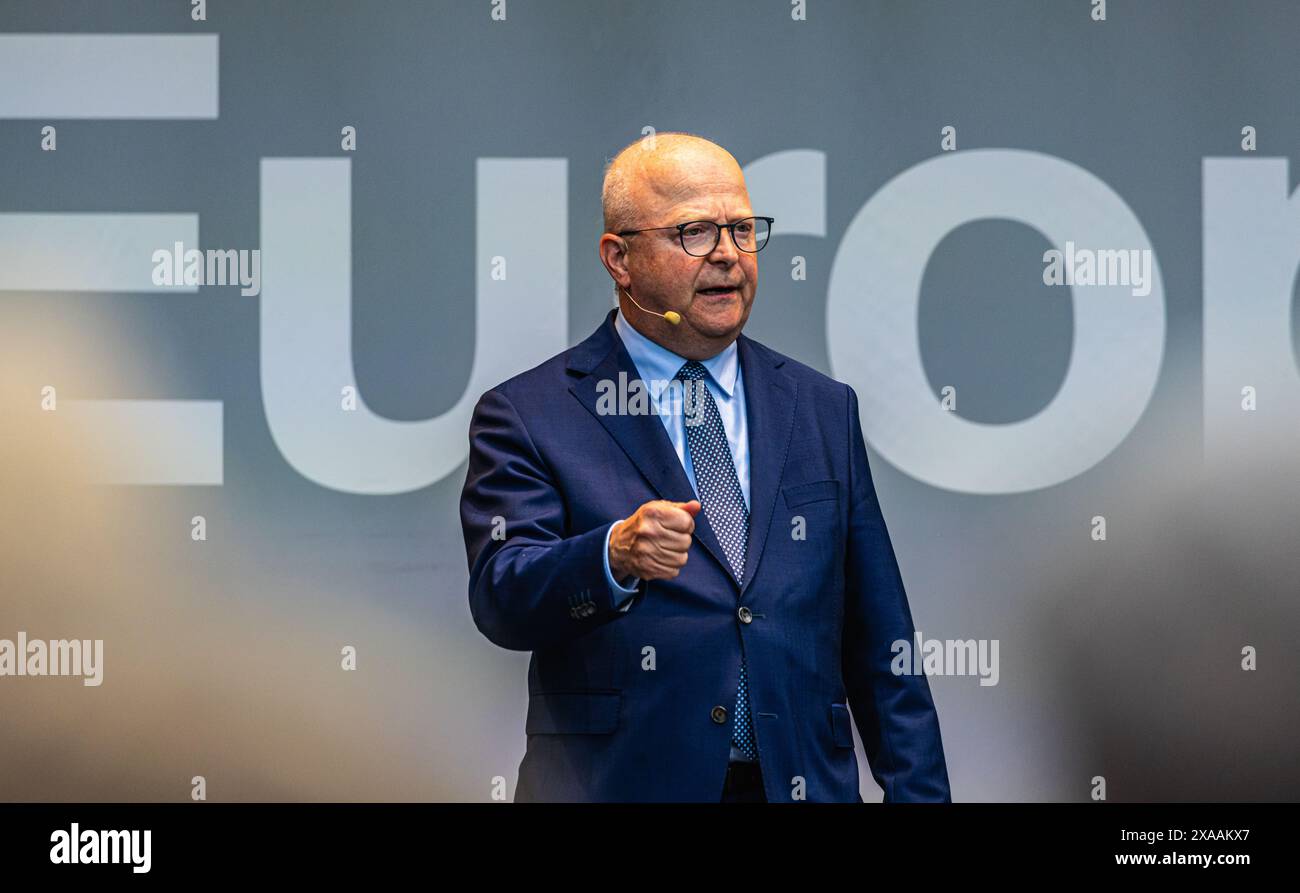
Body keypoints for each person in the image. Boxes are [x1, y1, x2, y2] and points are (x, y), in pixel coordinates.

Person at [459, 132, 951, 802]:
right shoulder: (530, 412)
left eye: (743, 229)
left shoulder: (821, 408)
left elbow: (883, 645)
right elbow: (502, 598)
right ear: (619, 258)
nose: (727, 253)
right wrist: (612, 555)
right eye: (694, 231)